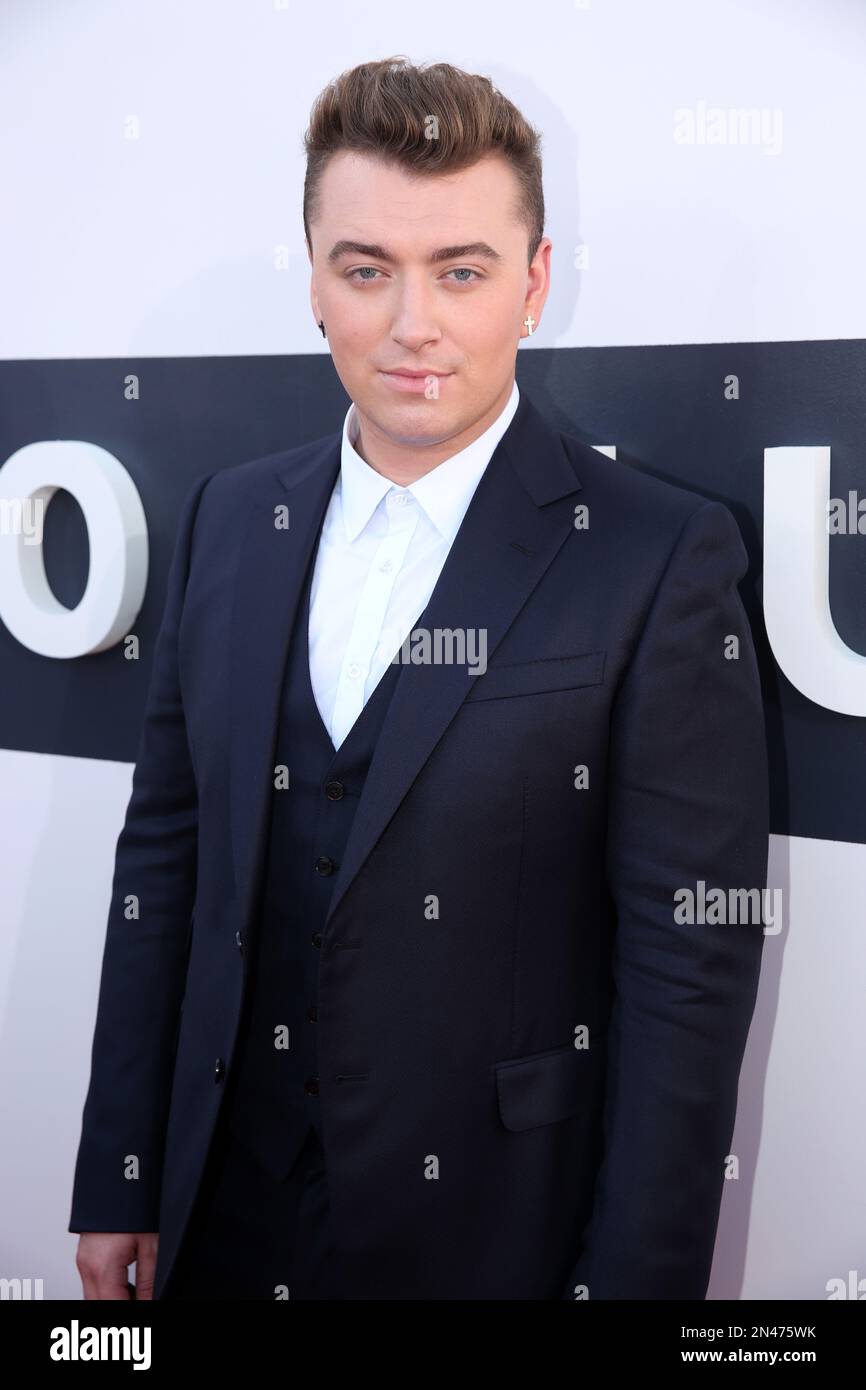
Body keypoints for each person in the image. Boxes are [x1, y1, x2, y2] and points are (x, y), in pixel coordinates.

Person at [70, 56, 769, 1301]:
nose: (411, 325)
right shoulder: (231, 519)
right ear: (315, 282)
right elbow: (162, 858)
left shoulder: (658, 555)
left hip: (494, 1239)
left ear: (532, 284)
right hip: (220, 1204)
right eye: (365, 269)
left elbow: (686, 969)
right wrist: (121, 1172)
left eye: (459, 270)